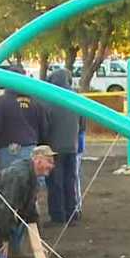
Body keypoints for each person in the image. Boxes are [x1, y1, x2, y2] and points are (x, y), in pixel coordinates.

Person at [44, 69, 81, 224]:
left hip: (54, 147)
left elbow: (45, 123)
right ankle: (71, 213)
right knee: (69, 180)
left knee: (55, 183)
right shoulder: (75, 98)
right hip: (72, 146)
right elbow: (83, 123)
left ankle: (58, 215)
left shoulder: (48, 98)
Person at [0, 86, 43, 171]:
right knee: (30, 181)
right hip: (31, 148)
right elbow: (44, 127)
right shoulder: (36, 102)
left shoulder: (2, 102)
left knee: (6, 181)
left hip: (7, 150)